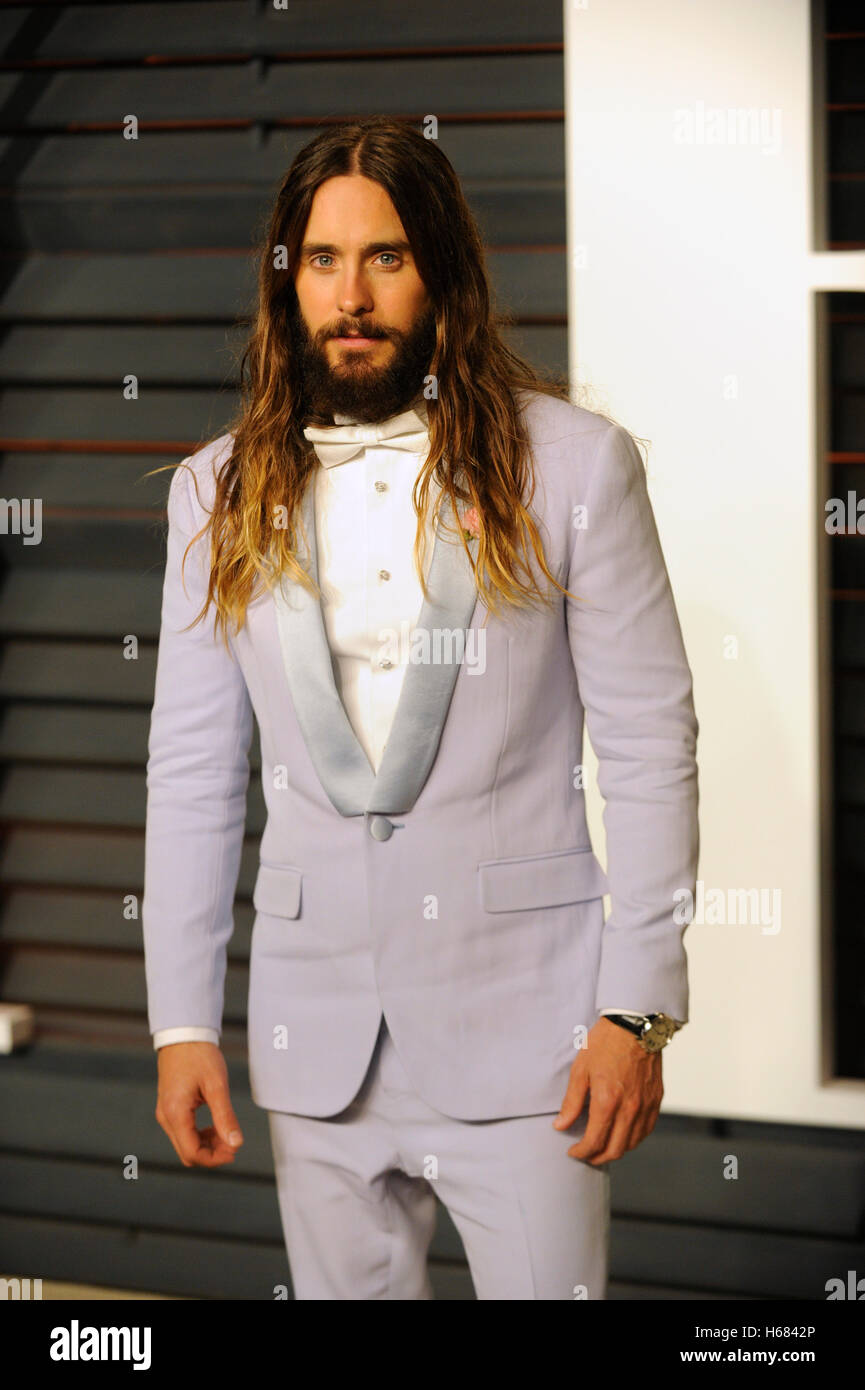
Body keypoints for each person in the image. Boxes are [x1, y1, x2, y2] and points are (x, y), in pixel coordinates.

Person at [142, 117, 699, 1300]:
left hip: (535, 1036)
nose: (351, 293)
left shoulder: (576, 467)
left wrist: (635, 1012)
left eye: (385, 257)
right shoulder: (214, 491)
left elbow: (650, 745)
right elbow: (192, 773)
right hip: (315, 1037)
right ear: (284, 280)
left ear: (442, 272)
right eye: (321, 259)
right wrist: (180, 1022)